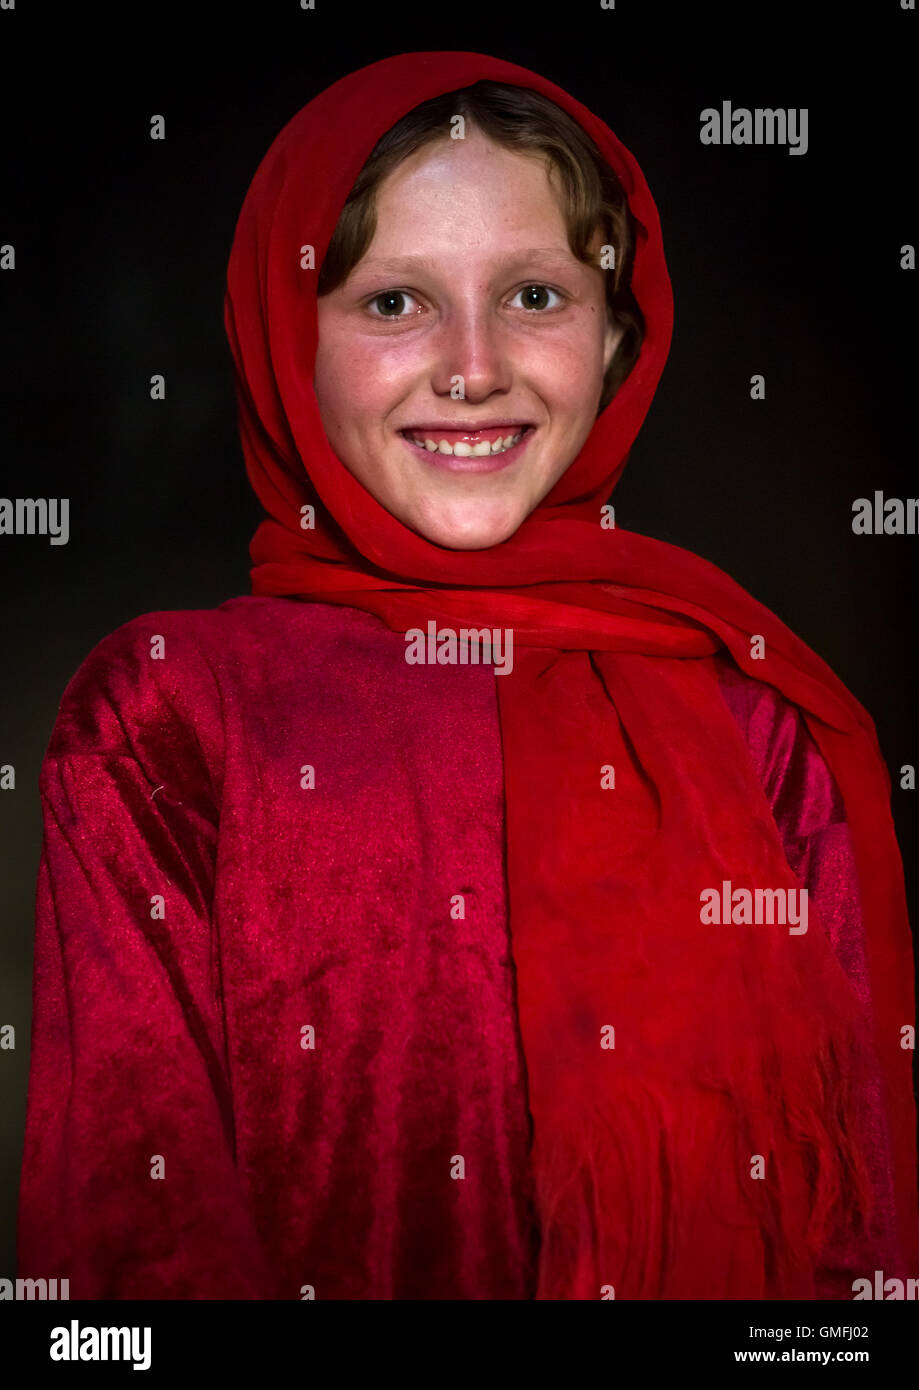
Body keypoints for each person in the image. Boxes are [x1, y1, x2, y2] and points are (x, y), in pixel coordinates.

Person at [17, 49, 919, 1300]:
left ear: (620, 336)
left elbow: (850, 1236)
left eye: (537, 294)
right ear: (285, 340)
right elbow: (131, 1246)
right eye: (393, 303)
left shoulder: (756, 716)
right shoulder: (167, 715)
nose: (473, 365)